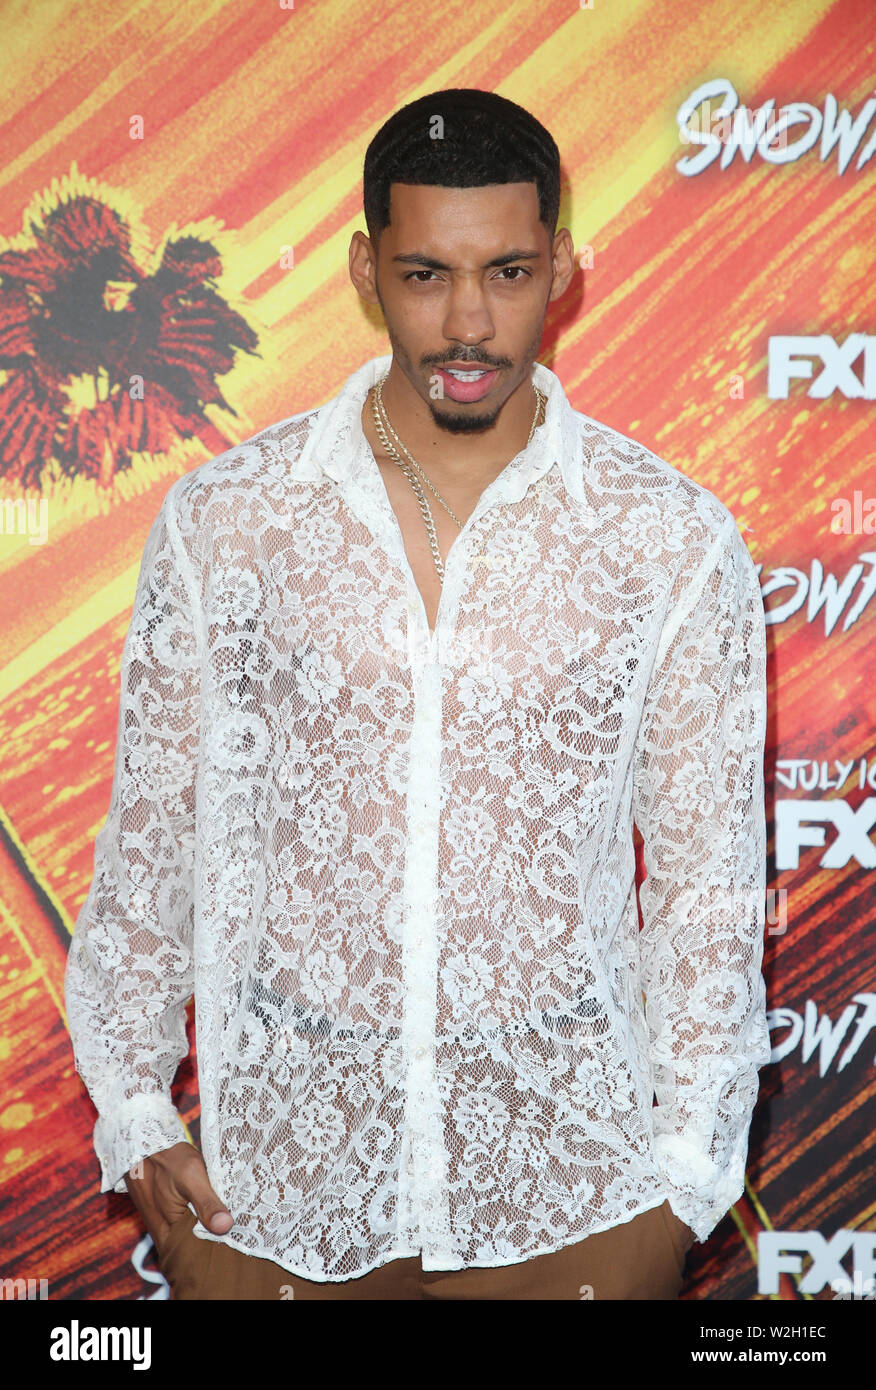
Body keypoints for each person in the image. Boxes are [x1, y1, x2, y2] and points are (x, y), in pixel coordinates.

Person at [65, 87, 771, 1301]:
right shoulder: (232, 523)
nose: (469, 322)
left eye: (506, 271)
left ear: (562, 264)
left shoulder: (669, 542)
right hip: (281, 1185)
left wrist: (681, 1187)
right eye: (424, 275)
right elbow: (151, 847)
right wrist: (135, 1107)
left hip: (574, 1185)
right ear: (362, 270)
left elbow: (707, 895)